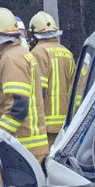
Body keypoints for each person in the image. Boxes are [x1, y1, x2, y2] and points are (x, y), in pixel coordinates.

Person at [0, 7, 49, 162]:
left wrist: (1, 136)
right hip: (24, 144)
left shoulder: (12, 59)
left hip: (20, 144)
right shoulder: (17, 54)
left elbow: (18, 106)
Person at [27, 11, 76, 146]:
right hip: (66, 121)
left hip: (46, 122)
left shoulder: (38, 52)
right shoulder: (67, 53)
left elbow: (39, 90)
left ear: (34, 34)